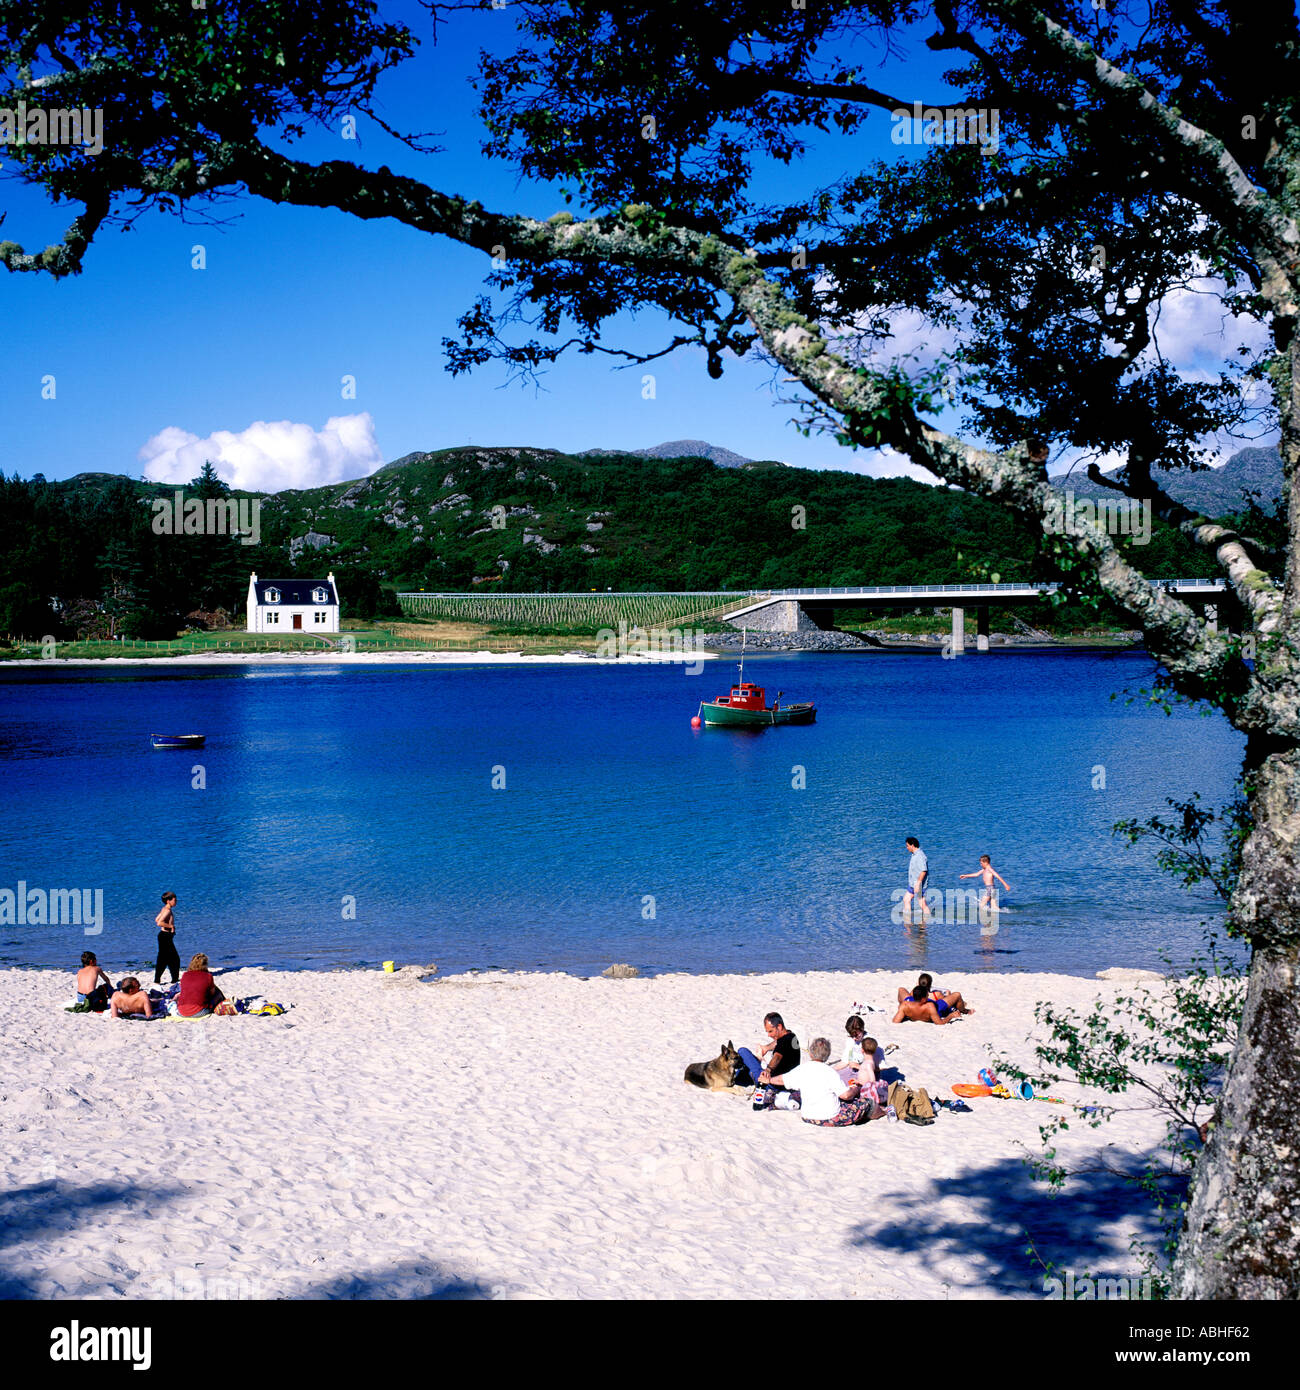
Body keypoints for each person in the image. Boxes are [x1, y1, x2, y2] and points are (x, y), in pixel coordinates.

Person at [770, 1037, 872, 1126]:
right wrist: (855, 1089)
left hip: (807, 1116)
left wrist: (768, 1080)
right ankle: (884, 1112)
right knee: (867, 1103)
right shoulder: (830, 1072)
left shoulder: (802, 1069)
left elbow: (781, 1079)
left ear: (810, 1053)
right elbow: (845, 1095)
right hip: (829, 1117)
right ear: (827, 1055)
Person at [737, 1013, 801, 1086]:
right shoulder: (791, 1036)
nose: (769, 1035)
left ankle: (736, 1078)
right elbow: (777, 1043)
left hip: (772, 1083)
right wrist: (766, 1048)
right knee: (750, 1064)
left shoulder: (783, 1042)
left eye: (770, 1031)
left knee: (742, 1051)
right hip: (788, 1082)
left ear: (779, 1027)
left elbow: (777, 1057)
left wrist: (768, 1070)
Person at [896, 972, 973, 1018]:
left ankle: (901, 1005)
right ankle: (965, 1011)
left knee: (901, 989)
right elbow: (945, 1004)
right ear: (930, 985)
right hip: (933, 1010)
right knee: (956, 995)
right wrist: (948, 995)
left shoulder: (914, 991)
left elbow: (910, 997)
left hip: (914, 1008)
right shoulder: (936, 994)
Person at [177, 952, 225, 1018]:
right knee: (217, 993)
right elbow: (212, 993)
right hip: (199, 1012)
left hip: (181, 1011)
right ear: (205, 964)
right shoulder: (208, 976)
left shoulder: (185, 975)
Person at [893, 984, 963, 1025]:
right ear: (923, 999)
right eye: (927, 995)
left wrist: (903, 1012)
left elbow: (895, 1021)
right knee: (957, 994)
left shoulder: (905, 1004)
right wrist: (951, 1016)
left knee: (901, 989)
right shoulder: (930, 1006)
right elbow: (940, 1023)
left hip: (912, 1004)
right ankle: (964, 1010)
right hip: (936, 1008)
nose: (928, 996)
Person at [154, 891, 181, 986]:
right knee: (174, 958)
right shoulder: (167, 910)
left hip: (164, 936)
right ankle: (174, 979)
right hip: (165, 936)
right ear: (168, 901)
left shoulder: (164, 909)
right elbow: (159, 922)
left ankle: (159, 979)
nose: (176, 901)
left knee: (165, 958)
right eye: (174, 900)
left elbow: (156, 919)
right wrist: (171, 926)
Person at [902, 836, 930, 920]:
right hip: (913, 884)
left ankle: (926, 921)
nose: (907, 848)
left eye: (907, 846)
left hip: (919, 884)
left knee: (922, 903)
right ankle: (907, 920)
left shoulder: (920, 856)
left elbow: (923, 871)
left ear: (912, 845)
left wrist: (918, 883)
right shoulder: (914, 855)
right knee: (906, 899)